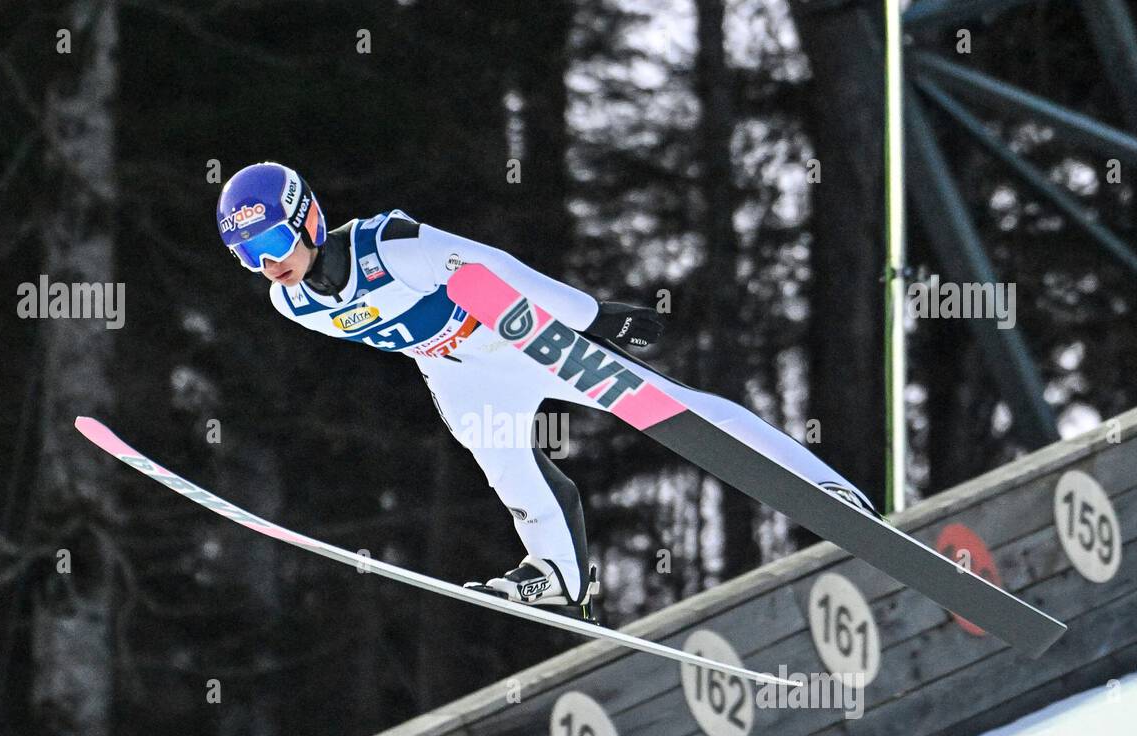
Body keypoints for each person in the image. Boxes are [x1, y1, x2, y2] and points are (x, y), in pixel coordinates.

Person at [217, 161, 875, 622]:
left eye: (273, 240)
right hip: (456, 366)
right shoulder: (289, 302)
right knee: (503, 462)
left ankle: (822, 487)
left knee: (663, 407)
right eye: (248, 255)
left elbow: (491, 270)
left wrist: (592, 316)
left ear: (306, 221)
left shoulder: (388, 248)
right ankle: (559, 574)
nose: (269, 263)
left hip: (514, 334)